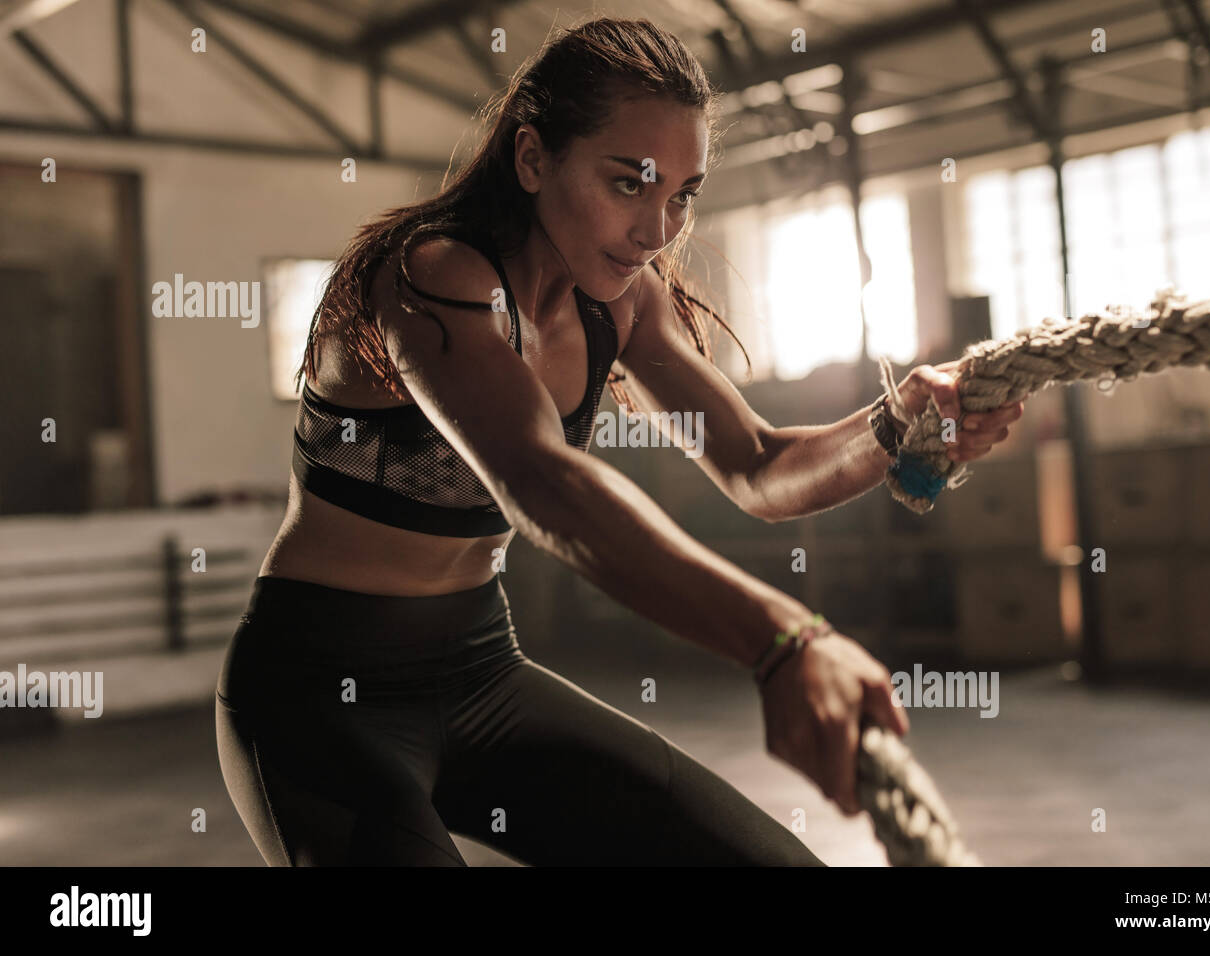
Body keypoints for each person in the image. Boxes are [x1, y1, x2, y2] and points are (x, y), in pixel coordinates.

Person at [214, 16, 1024, 866]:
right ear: (532, 159)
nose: (658, 227)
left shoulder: (624, 304)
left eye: (683, 192)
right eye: (630, 182)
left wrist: (895, 427)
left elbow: (757, 466)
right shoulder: (434, 278)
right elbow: (543, 483)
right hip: (313, 694)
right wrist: (785, 640)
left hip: (479, 669)